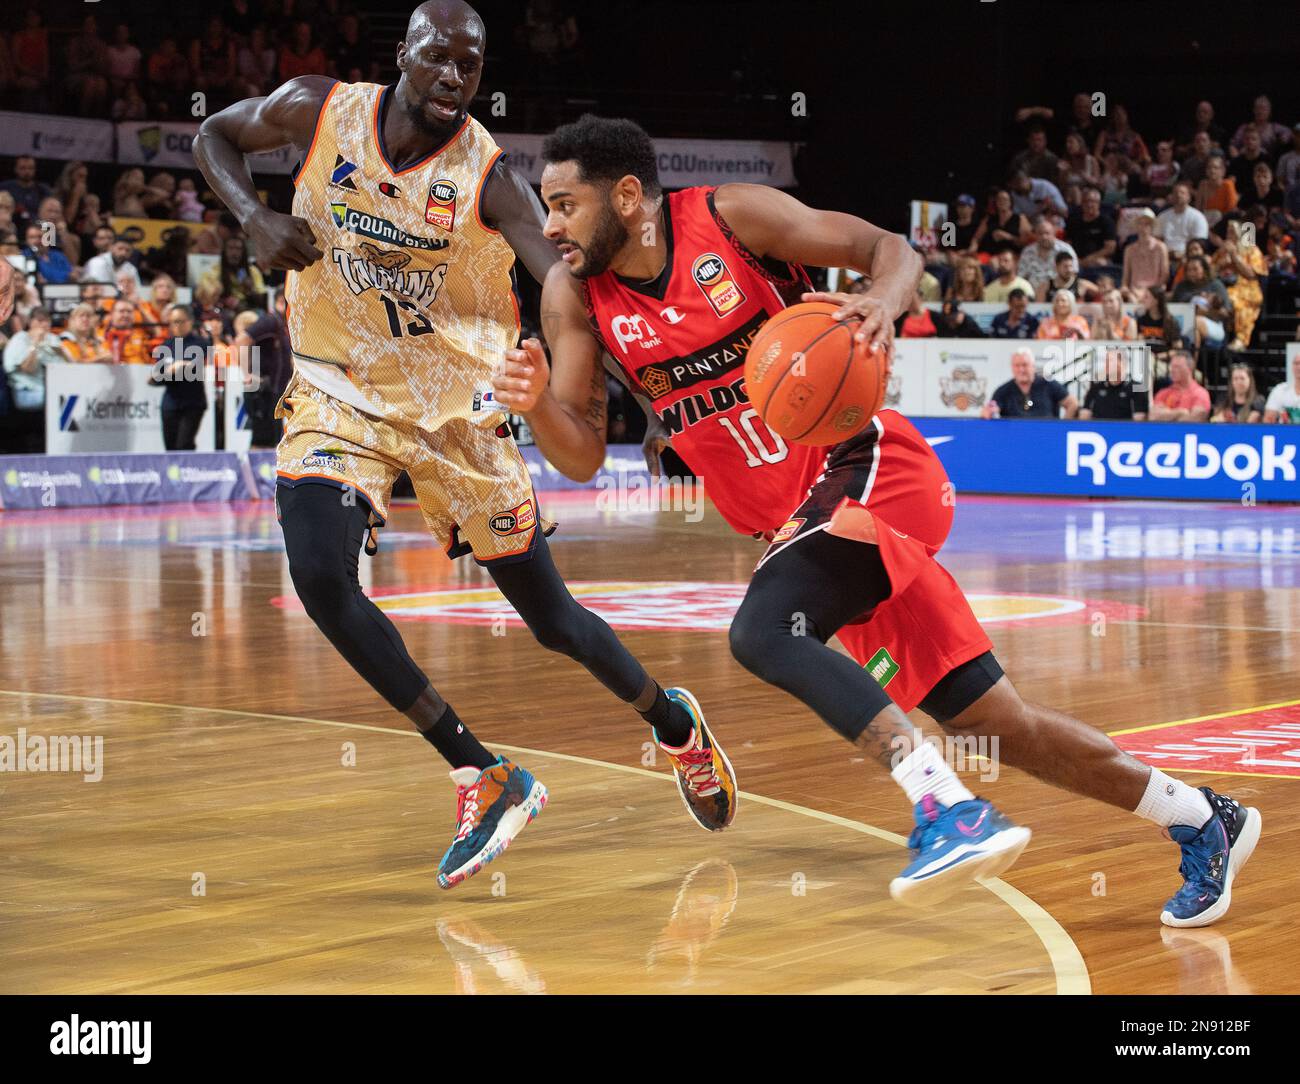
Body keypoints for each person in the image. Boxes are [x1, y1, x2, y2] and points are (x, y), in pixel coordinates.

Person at [502, 115, 1259, 926]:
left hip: (866, 469)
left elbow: (890, 249)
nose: (548, 227)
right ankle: (1203, 818)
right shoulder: (573, 295)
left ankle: (947, 810)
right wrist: (537, 400)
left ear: (626, 195)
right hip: (806, 533)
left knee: (762, 630)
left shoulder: (729, 217)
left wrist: (881, 303)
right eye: (545, 208)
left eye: (564, 205)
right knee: (999, 727)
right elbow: (579, 455)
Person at [192, 0, 734, 889]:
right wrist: (250, 213)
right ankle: (481, 772)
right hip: (338, 390)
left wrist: (653, 393)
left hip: (458, 409)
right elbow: (213, 134)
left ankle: (673, 724)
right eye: (438, 57)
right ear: (401, 53)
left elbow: (574, 283)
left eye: (471, 67)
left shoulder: (490, 183)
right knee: (321, 577)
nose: (453, 77)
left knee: (555, 624)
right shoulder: (318, 109)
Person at [149, 303, 209, 449]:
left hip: (192, 402)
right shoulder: (166, 346)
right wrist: (161, 374)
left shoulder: (200, 343)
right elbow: (159, 375)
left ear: (190, 322)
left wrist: (182, 365)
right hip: (171, 403)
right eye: (174, 322)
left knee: (184, 444)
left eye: (181, 321)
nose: (177, 325)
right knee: (170, 446)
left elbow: (195, 364)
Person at [1213, 220, 1268, 350]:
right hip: (1222, 286)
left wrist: (1234, 256)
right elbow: (1209, 273)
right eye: (1228, 232)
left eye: (1232, 232)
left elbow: (1251, 274)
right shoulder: (1221, 251)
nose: (1229, 235)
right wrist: (1220, 264)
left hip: (1247, 287)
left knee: (1233, 300)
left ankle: (1241, 339)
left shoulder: (1252, 250)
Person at [981, 348, 1077, 418]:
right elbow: (991, 409)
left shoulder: (1048, 384)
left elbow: (1072, 403)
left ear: (1033, 366)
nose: (1021, 369)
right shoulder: (1003, 391)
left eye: (1025, 365)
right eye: (1017, 366)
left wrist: (1062, 427)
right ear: (1012, 367)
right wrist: (988, 412)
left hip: (1046, 437)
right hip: (1014, 439)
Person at [1079, 347, 1148, 420]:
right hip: (1098, 429)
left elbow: (1139, 419)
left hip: (1125, 429)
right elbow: (1085, 414)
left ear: (1122, 363)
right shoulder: (1096, 387)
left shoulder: (1137, 388)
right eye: (1106, 361)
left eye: (1110, 360)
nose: (1106, 364)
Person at [1017, 215, 1077, 296]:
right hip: (1032, 297)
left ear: (1054, 233)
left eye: (1047, 233)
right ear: (1035, 235)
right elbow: (1021, 278)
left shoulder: (1065, 249)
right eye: (1040, 234)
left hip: (1059, 295)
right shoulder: (1027, 252)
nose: (1044, 237)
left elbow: (1074, 273)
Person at [1150, 350, 1211, 422]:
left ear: (1190, 368)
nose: (1172, 370)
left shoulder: (1200, 393)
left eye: (1177, 367)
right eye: (1172, 367)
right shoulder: (1163, 393)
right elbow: (1152, 417)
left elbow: (1195, 419)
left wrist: (1166, 414)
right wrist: (1180, 412)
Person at [1121, 208, 1169, 297]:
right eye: (1140, 224)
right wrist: (1124, 287)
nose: (1143, 227)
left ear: (1152, 227)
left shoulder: (1160, 247)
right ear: (1137, 226)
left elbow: (1164, 274)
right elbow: (1126, 275)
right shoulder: (1129, 249)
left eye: (1147, 224)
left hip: (1154, 289)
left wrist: (1154, 289)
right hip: (1134, 290)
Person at [1155, 181, 1209, 260]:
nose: (1178, 195)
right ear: (1171, 196)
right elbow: (1157, 239)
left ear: (1189, 197)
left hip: (1188, 257)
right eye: (1175, 193)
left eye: (1182, 193)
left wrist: (1184, 255)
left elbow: (1200, 243)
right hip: (1165, 256)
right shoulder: (1163, 216)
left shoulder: (1198, 217)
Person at [972, 188, 1030, 254]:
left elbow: (1026, 242)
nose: (1002, 202)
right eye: (999, 199)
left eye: (1005, 199)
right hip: (990, 253)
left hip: (1011, 255)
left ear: (1010, 202)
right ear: (995, 202)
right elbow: (976, 238)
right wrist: (973, 247)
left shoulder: (1020, 218)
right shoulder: (988, 219)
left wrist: (1008, 237)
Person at [1263, 356, 1300, 424]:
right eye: (1296, 363)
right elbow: (1268, 419)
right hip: (1284, 433)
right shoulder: (1280, 390)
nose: (1299, 367)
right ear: (1292, 366)